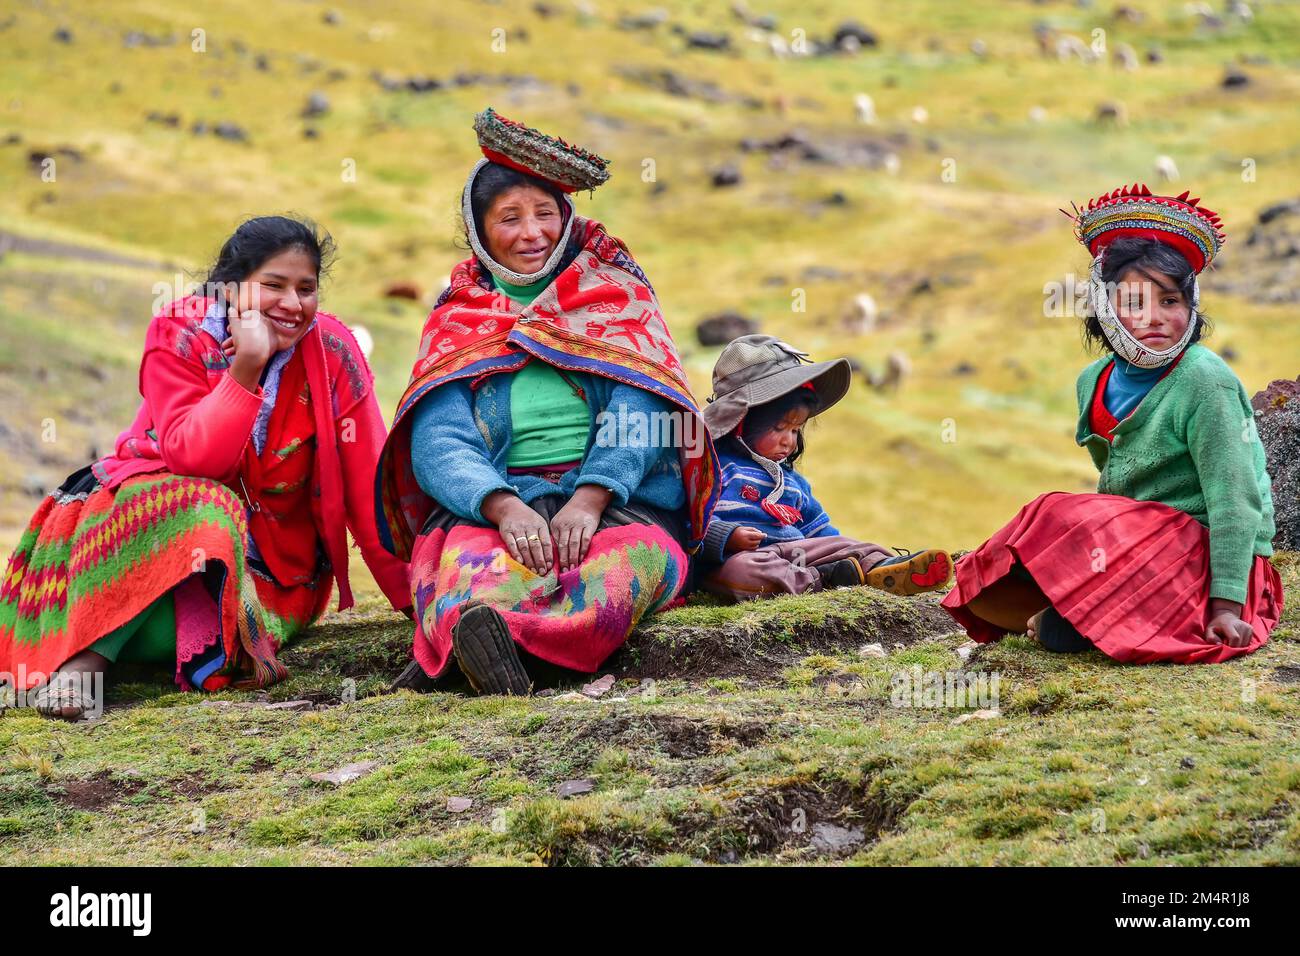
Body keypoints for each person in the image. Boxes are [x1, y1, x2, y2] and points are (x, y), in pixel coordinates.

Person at [0, 216, 411, 719]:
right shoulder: (179, 333)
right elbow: (194, 460)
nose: (292, 303)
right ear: (232, 287)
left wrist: (418, 604)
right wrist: (247, 369)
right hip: (141, 540)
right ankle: (87, 664)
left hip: (268, 583)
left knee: (187, 591)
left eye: (306, 289)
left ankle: (102, 644)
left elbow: (370, 485)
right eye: (273, 285)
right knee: (203, 501)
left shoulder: (333, 352)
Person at [376, 109, 719, 695]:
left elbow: (643, 411)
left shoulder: (617, 296)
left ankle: (510, 652)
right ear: (479, 231)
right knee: (471, 573)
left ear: (566, 220)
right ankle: (493, 644)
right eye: (509, 218)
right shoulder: (456, 319)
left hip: (618, 504)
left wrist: (589, 501)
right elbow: (438, 438)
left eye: (544, 215)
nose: (531, 233)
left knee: (620, 571)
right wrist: (505, 508)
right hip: (491, 509)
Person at [942, 184, 1282, 664]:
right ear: (1105, 307)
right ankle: (1071, 608)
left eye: (1171, 301)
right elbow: (1116, 490)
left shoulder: (1205, 380)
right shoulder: (1093, 382)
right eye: (1136, 302)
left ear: (1192, 306)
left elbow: (1236, 501)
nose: (1157, 318)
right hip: (1138, 542)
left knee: (1062, 553)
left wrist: (1226, 606)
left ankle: (1074, 616)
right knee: (1055, 512)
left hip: (1208, 556)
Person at [698, 334, 952, 601]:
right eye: (779, 427)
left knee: (850, 545)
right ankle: (829, 579)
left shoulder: (794, 483)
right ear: (741, 423)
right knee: (740, 573)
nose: (789, 440)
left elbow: (819, 531)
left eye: (796, 430)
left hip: (799, 552)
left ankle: (885, 569)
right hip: (747, 557)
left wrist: (841, 549)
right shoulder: (717, 469)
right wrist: (728, 536)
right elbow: (694, 525)